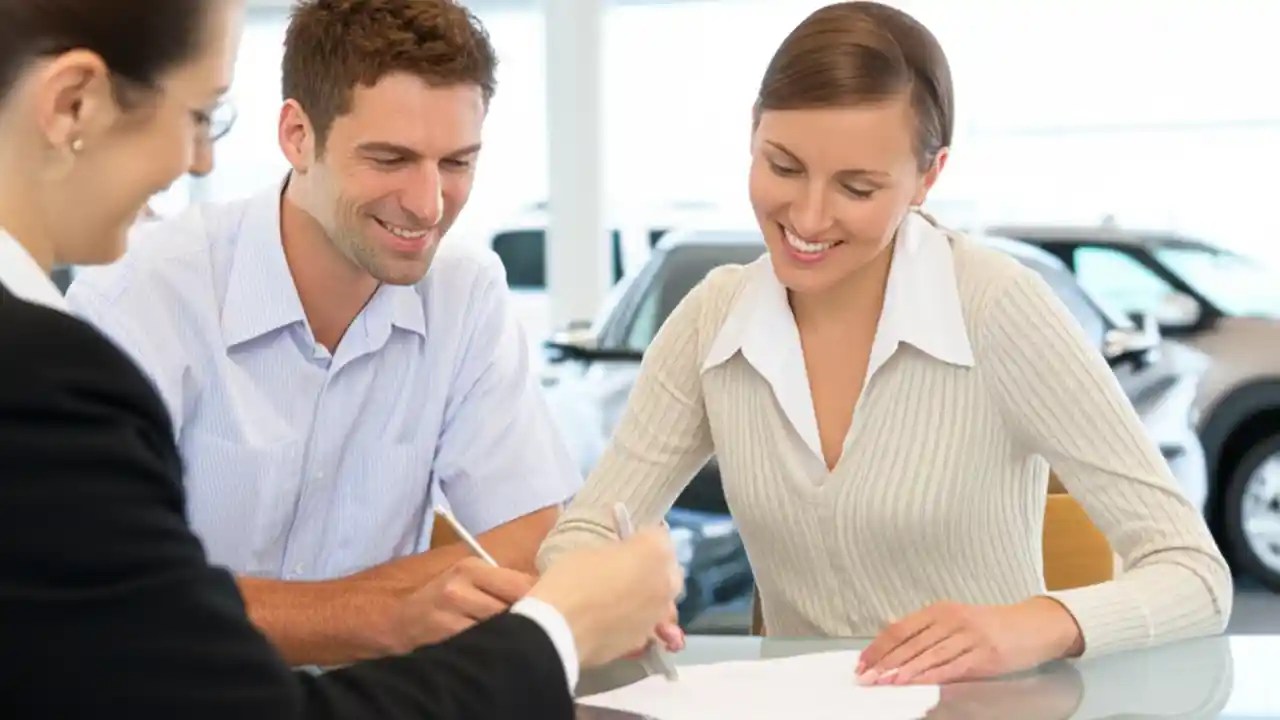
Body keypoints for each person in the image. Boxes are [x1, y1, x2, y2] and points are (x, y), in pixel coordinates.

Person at [0, 1, 682, 717]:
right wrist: (381, 615)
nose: (426, 204)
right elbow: (142, 617)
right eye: (388, 159)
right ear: (297, 135)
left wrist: (273, 604)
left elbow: (520, 545)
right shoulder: (130, 305)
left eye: (456, 163)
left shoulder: (467, 293)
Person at [537, 0, 1232, 686]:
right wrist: (606, 595)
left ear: (928, 178)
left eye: (857, 187)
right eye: (782, 167)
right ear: (752, 136)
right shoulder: (711, 318)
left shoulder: (994, 306)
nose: (807, 216)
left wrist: (1035, 623)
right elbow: (584, 533)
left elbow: (1194, 575)